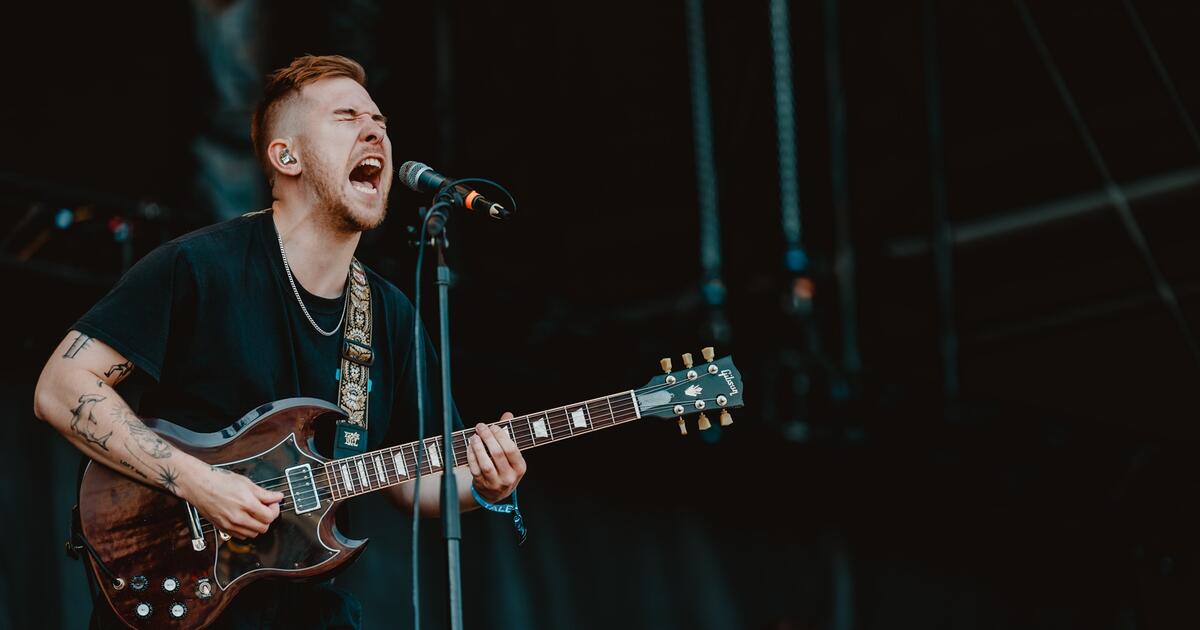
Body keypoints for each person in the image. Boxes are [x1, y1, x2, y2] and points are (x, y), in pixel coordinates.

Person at [32, 54, 526, 629]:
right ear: (285, 156)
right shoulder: (200, 265)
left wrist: (489, 483)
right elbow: (61, 387)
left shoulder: (388, 313)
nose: (375, 131)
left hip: (310, 610)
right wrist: (203, 483)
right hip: (183, 599)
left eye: (380, 121)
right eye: (346, 117)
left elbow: (421, 481)